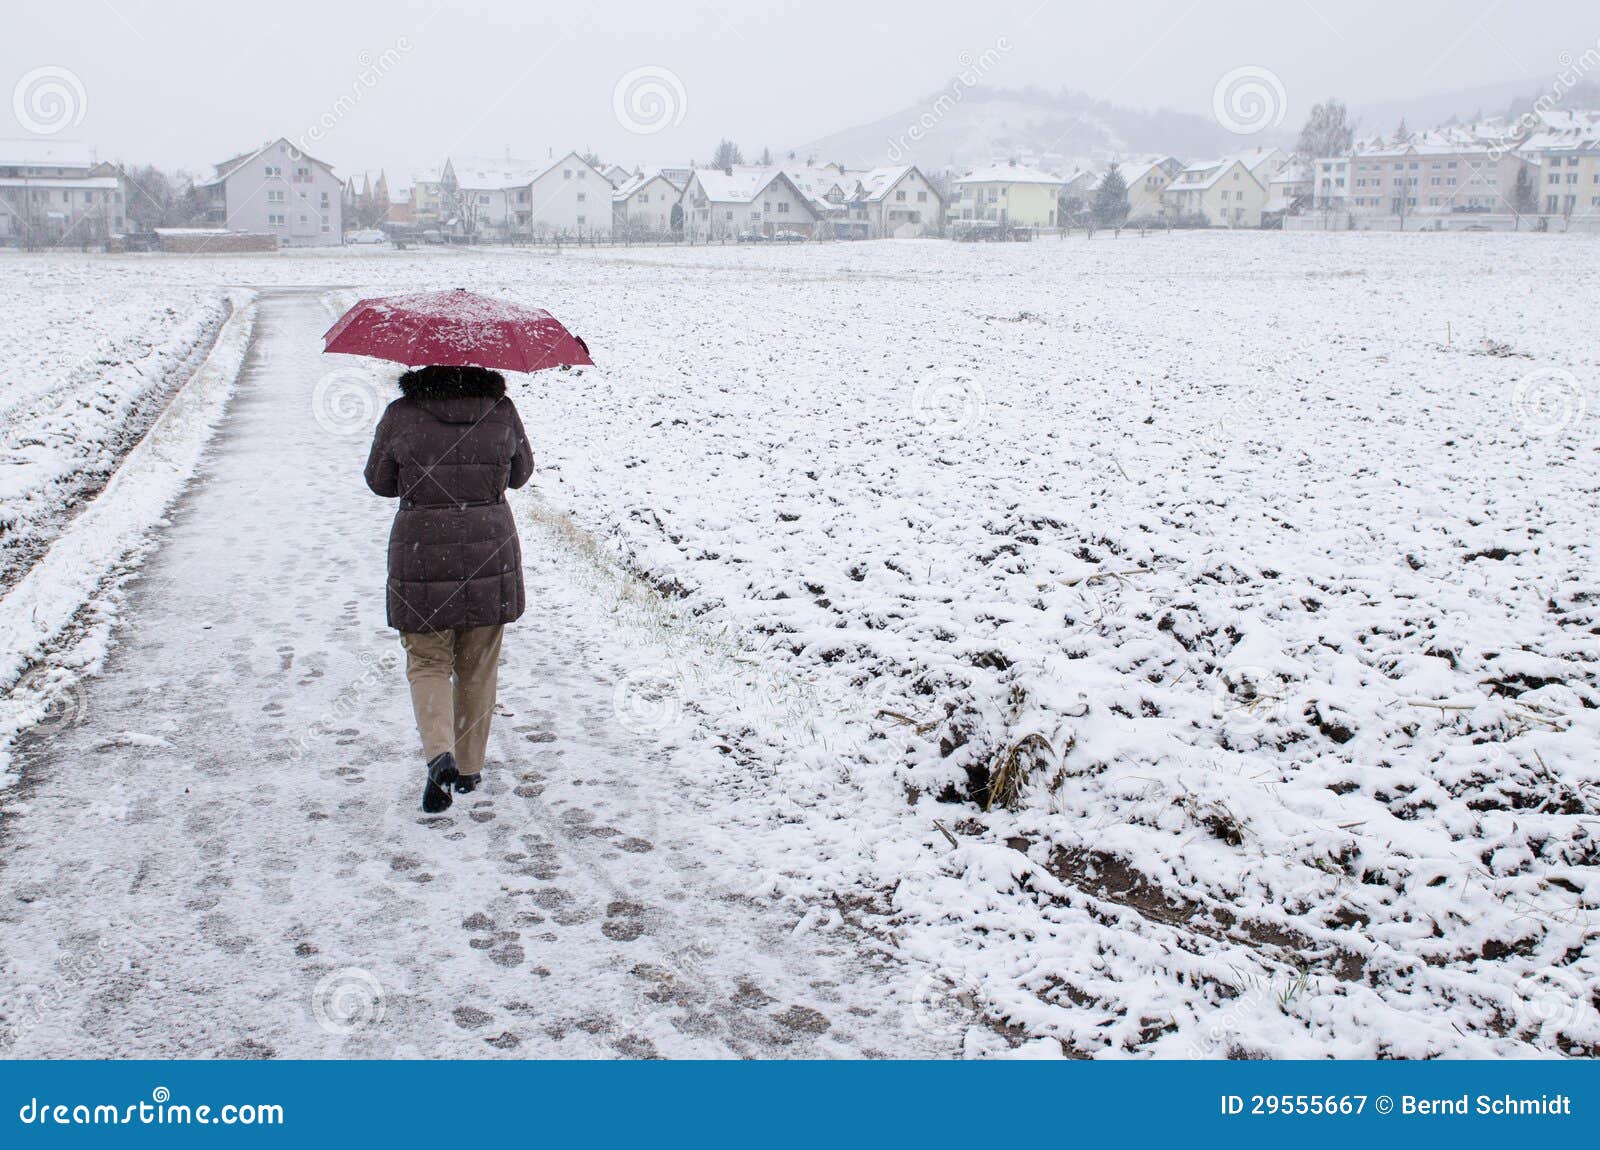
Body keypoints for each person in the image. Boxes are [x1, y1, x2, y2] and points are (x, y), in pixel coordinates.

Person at [363, 364, 533, 812]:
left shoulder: (402, 414)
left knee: (427, 661)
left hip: (421, 553)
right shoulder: (501, 411)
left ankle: (440, 754)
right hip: (489, 552)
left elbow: (379, 482)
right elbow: (520, 475)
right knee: (478, 666)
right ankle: (469, 767)